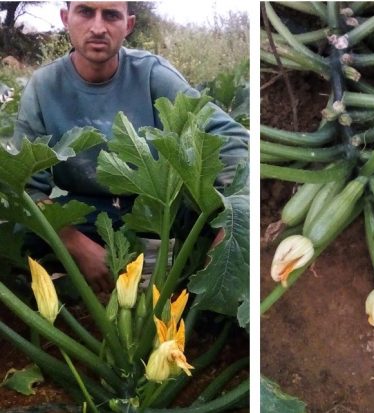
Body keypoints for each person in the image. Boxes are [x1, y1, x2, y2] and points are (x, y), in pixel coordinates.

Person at [13, 2, 249, 293]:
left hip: (159, 209)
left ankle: (193, 292)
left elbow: (230, 137)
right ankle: (74, 289)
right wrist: (73, 242)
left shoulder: (152, 74)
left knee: (219, 231)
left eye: (111, 15)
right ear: (66, 19)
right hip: (87, 213)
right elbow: (25, 189)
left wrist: (234, 216)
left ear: (129, 25)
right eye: (86, 12)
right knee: (24, 232)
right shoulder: (43, 87)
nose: (98, 27)